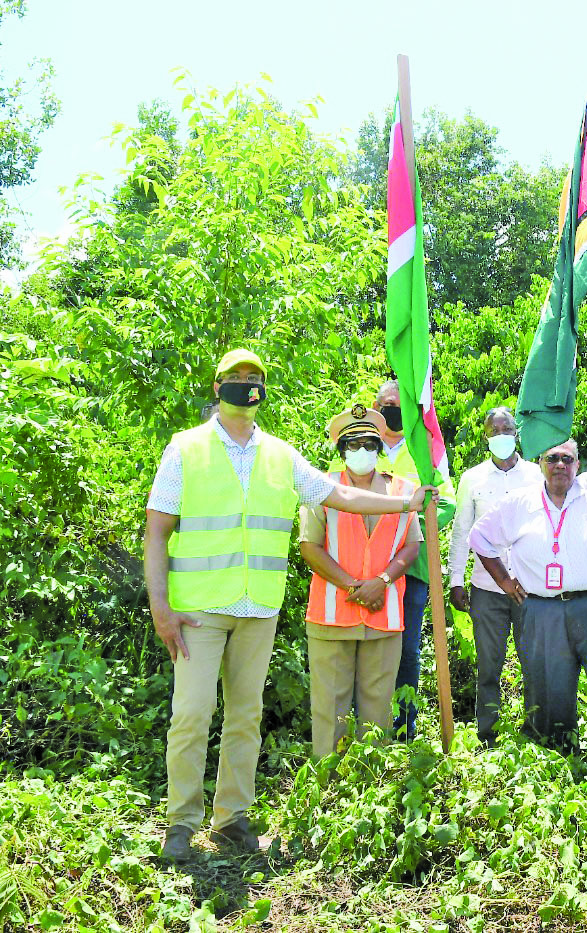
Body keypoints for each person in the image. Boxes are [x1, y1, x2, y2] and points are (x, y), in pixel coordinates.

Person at [145, 350, 435, 862]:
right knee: (191, 714)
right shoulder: (185, 449)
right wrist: (160, 608)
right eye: (236, 378)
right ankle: (181, 824)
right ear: (218, 388)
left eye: (255, 378)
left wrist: (403, 503)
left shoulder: (281, 455)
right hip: (197, 612)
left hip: (258, 607)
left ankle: (231, 816)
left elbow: (343, 497)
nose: (246, 385)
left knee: (245, 715)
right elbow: (157, 532)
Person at [467, 440, 587, 762]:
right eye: (552, 457)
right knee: (547, 689)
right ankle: (556, 759)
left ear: (579, 463)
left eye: (567, 459)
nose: (560, 465)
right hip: (542, 610)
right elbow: (480, 537)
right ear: (540, 462)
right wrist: (504, 579)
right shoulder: (519, 501)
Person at [299, 406, 423, 760]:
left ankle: (372, 784)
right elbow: (310, 546)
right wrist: (354, 586)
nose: (362, 451)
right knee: (329, 711)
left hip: (384, 615)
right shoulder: (322, 487)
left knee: (378, 709)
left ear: (380, 447)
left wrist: (382, 581)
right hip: (332, 614)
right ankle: (328, 784)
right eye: (353, 444)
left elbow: (411, 545)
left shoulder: (403, 489)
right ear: (342, 450)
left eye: (369, 443)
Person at [448, 406, 542, 746]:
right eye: (494, 430)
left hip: (530, 586)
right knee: (489, 665)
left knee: (535, 660)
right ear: (485, 436)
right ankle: (488, 734)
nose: (500, 436)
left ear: (516, 433)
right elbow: (461, 532)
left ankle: (536, 729)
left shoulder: (536, 475)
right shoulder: (472, 479)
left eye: (506, 429)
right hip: (486, 588)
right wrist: (455, 580)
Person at [369, 379, 457, 741]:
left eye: (397, 403)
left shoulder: (426, 450)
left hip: (414, 568)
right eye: (384, 403)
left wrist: (402, 526)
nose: (391, 409)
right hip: (363, 567)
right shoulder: (360, 445)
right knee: (367, 647)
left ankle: (404, 731)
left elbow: (447, 504)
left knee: (406, 650)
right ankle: (368, 732)